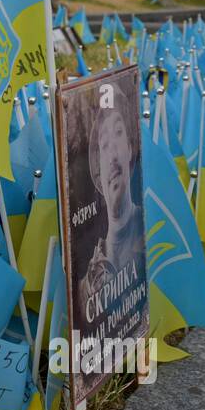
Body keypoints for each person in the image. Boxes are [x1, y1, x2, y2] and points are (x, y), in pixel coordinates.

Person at [77, 88, 143, 316]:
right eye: (103, 145)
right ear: (97, 175)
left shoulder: (153, 235)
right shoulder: (86, 285)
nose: (112, 154)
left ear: (131, 148)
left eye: (118, 133)